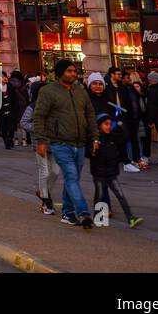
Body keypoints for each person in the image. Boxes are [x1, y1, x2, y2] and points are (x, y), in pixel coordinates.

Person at [32, 59, 99, 228]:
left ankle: (68, 213)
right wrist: (40, 141)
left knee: (73, 180)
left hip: (80, 143)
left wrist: (95, 137)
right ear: (60, 73)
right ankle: (83, 212)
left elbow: (90, 115)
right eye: (69, 71)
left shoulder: (81, 91)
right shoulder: (48, 91)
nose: (73, 74)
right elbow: (39, 116)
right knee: (71, 177)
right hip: (60, 143)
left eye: (74, 71)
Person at [91, 112, 142, 228]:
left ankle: (130, 218)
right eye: (105, 124)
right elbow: (89, 153)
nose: (108, 126)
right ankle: (97, 217)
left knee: (120, 195)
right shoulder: (95, 139)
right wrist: (92, 150)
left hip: (111, 172)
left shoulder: (113, 136)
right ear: (99, 126)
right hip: (99, 173)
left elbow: (126, 135)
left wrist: (119, 123)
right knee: (99, 195)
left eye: (110, 124)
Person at [27, 76, 60, 216]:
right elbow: (23, 122)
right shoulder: (32, 107)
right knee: (44, 171)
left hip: (53, 143)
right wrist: (38, 129)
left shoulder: (53, 107)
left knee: (55, 171)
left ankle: (43, 191)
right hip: (39, 143)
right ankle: (46, 201)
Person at [105, 67, 142, 171]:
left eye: (120, 74)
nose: (120, 76)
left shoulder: (122, 87)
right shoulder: (106, 86)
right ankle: (117, 159)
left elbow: (127, 101)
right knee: (111, 136)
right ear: (112, 74)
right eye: (118, 74)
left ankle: (125, 160)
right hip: (112, 116)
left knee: (123, 136)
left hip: (121, 116)